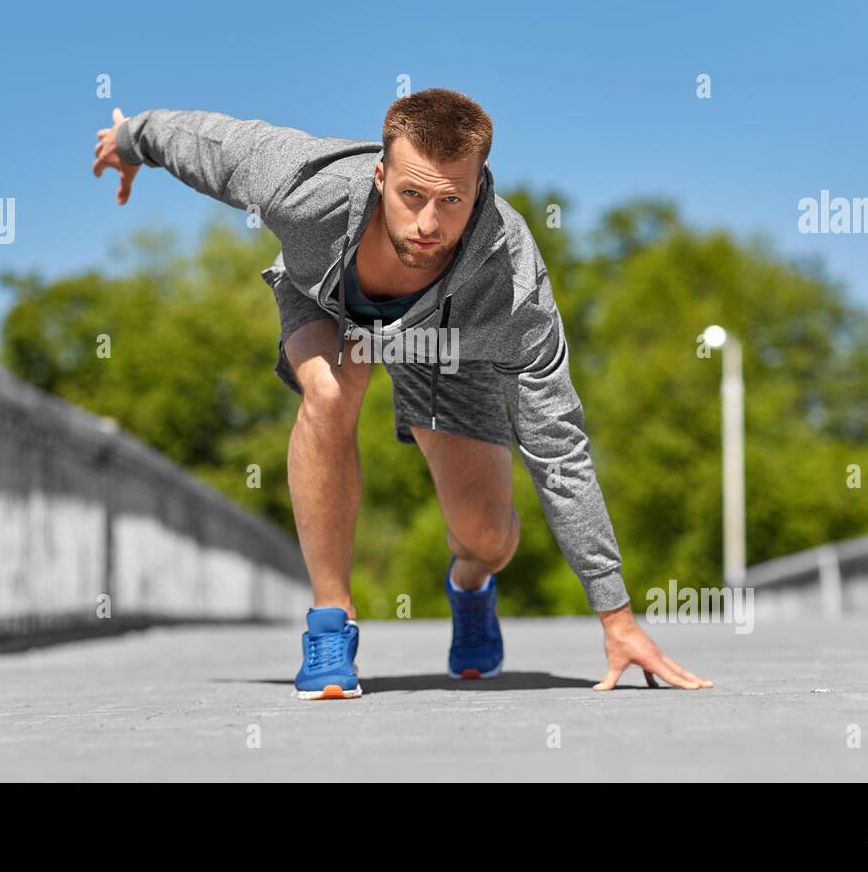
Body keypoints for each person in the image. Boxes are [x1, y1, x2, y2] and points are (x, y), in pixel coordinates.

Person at [93, 88, 713, 699]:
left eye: (452, 201)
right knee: (330, 391)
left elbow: (558, 445)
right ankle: (332, 624)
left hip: (449, 345)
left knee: (488, 536)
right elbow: (205, 141)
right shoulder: (301, 182)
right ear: (379, 174)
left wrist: (616, 614)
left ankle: (470, 587)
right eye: (411, 194)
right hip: (325, 306)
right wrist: (127, 140)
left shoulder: (510, 284)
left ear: (480, 190)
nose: (427, 223)